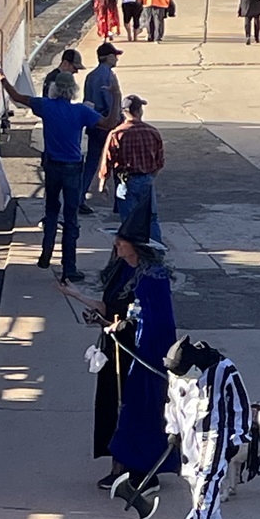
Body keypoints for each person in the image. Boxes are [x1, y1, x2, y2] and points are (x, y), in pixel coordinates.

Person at [82, 203, 178, 492]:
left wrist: (125, 327)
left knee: (139, 408)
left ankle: (143, 471)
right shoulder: (120, 270)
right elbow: (113, 305)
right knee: (113, 406)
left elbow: (158, 320)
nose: (116, 245)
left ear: (135, 246)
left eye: (121, 241)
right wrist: (102, 319)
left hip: (142, 356)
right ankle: (118, 465)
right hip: (116, 351)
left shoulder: (154, 277)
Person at [0, 65, 108, 283]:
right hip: (73, 168)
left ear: (54, 89)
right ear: (73, 90)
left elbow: (17, 97)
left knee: (52, 210)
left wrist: (2, 78)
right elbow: (109, 124)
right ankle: (69, 268)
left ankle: (46, 254)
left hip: (52, 167)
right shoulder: (81, 111)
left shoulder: (45, 106)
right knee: (71, 218)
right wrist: (117, 96)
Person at [164, 336, 251, 519]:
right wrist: (172, 429)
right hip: (188, 434)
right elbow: (172, 402)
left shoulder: (224, 369)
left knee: (207, 481)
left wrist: (238, 437)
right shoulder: (176, 374)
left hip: (215, 434)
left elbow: (240, 404)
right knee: (195, 480)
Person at [98, 93, 165, 245]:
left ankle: (133, 253)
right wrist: (150, 176)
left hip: (125, 182)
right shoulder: (152, 132)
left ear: (124, 112)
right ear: (139, 111)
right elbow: (159, 161)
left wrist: (103, 182)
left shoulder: (117, 133)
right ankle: (155, 252)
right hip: (146, 180)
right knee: (151, 218)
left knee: (129, 222)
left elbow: (107, 159)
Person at [80, 41, 123, 212]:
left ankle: (79, 197)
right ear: (108, 57)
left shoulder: (91, 76)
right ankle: (120, 201)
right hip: (107, 125)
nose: (117, 60)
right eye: (115, 56)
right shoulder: (109, 76)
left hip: (93, 123)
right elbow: (110, 102)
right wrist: (119, 119)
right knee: (118, 162)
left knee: (91, 162)